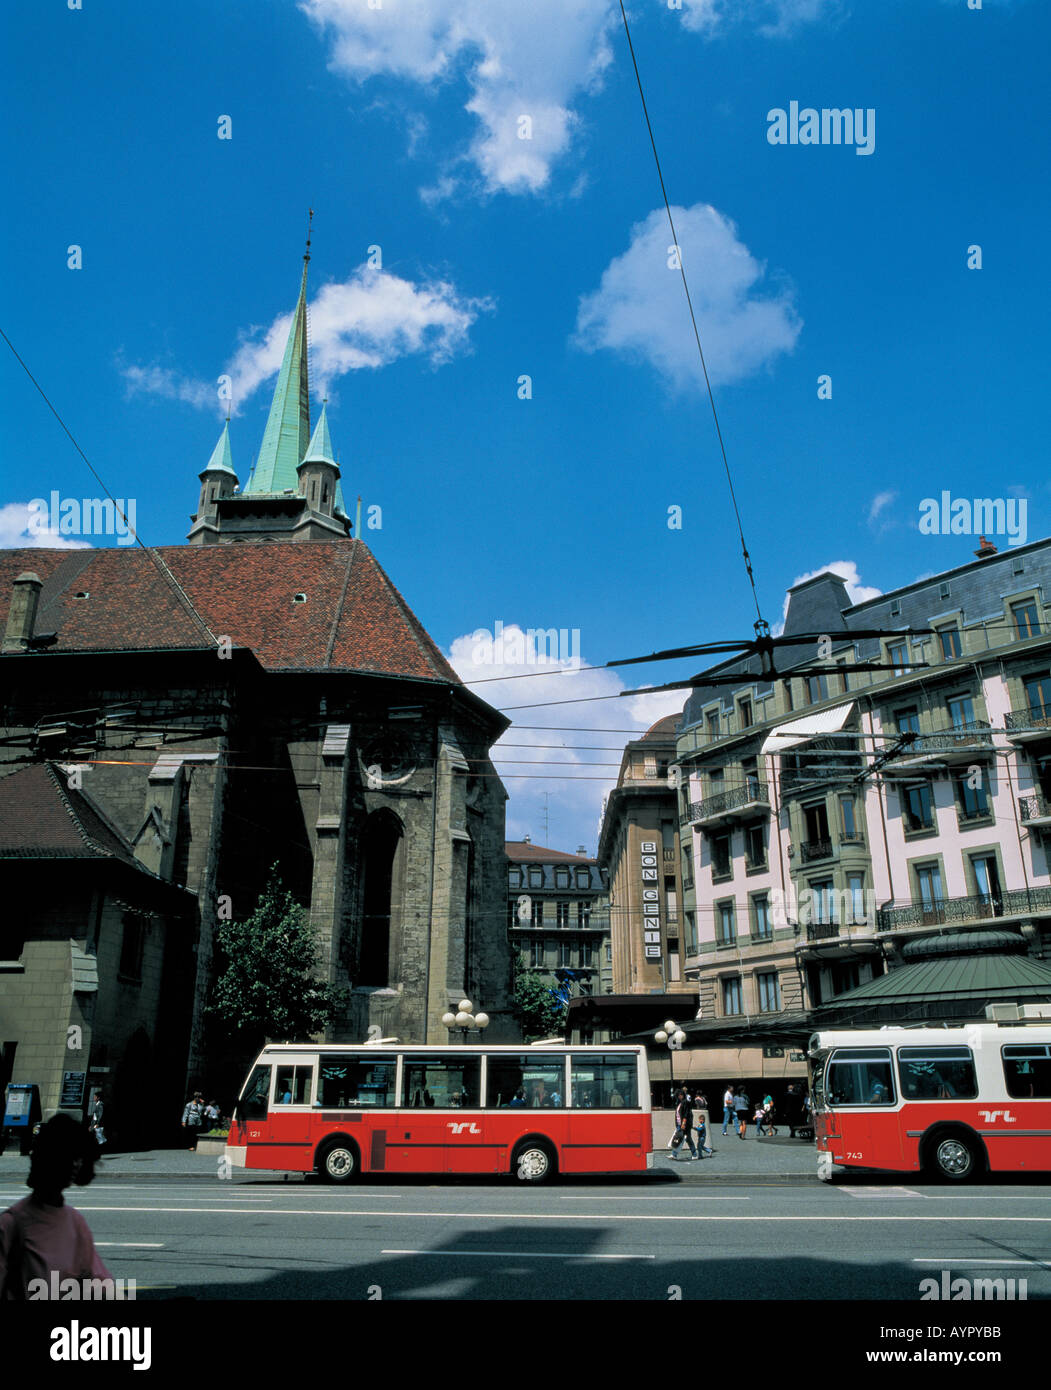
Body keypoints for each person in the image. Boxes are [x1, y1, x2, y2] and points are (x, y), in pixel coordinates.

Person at [0, 1113, 112, 1300]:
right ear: (49, 1158)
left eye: (79, 1156)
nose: (76, 1163)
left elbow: (97, 1282)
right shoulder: (11, 1225)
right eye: (68, 1156)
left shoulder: (75, 1222)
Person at [670, 1089, 698, 1160]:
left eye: (680, 1095)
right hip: (680, 1124)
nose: (679, 1096)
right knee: (678, 1139)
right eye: (678, 1095)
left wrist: (683, 1123)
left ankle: (694, 1154)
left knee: (688, 1139)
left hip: (684, 1124)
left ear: (682, 1095)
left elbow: (686, 1114)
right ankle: (674, 1154)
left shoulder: (685, 1102)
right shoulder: (679, 1103)